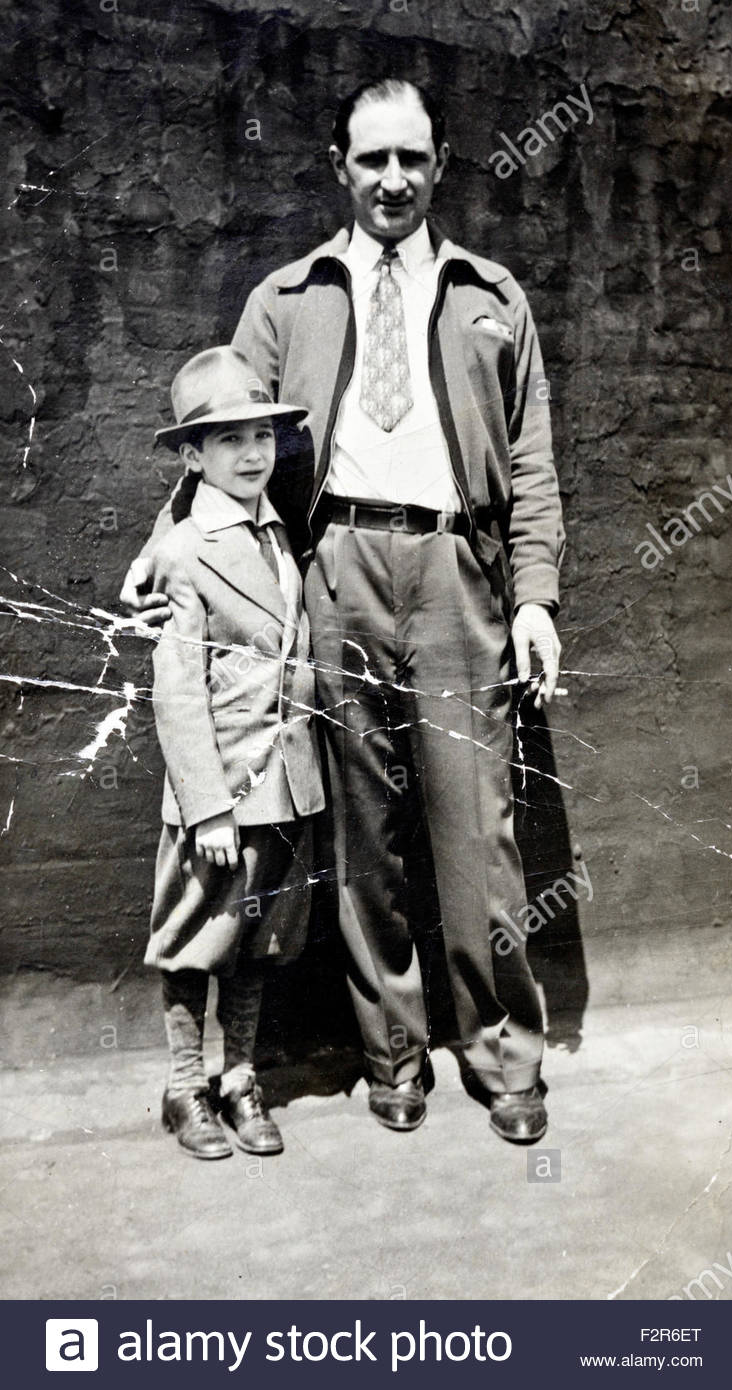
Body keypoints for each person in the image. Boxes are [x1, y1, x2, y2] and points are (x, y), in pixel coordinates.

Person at [122, 78, 565, 1145]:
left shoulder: (489, 296)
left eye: (411, 158)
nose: (392, 180)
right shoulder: (286, 298)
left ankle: (499, 1051)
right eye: (371, 160)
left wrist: (536, 597)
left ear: (440, 164)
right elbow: (225, 442)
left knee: (475, 831)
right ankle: (391, 1056)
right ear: (337, 167)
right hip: (332, 571)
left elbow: (532, 463)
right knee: (362, 838)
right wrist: (158, 545)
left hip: (457, 571)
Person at [145, 344, 324, 1160]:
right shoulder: (187, 550)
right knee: (195, 937)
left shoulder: (278, 536)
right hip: (219, 795)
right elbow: (177, 690)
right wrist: (208, 804)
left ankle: (238, 1076)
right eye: (227, 441)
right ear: (192, 457)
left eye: (262, 437)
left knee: (258, 938)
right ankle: (185, 1089)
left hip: (283, 790)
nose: (253, 455)